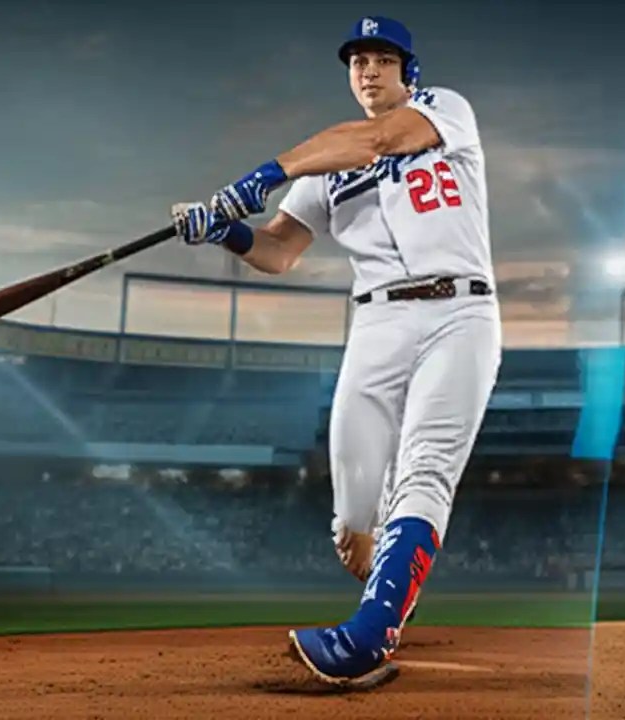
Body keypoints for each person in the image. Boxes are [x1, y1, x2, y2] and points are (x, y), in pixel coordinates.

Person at [170, 16, 501, 691]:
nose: (369, 71)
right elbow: (279, 251)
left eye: (383, 59)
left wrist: (264, 173)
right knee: (353, 521)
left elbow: (377, 139)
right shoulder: (324, 169)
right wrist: (225, 230)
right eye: (358, 62)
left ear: (409, 70)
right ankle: (389, 588)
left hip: (459, 310)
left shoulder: (443, 110)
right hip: (377, 323)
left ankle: (366, 636)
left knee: (425, 469)